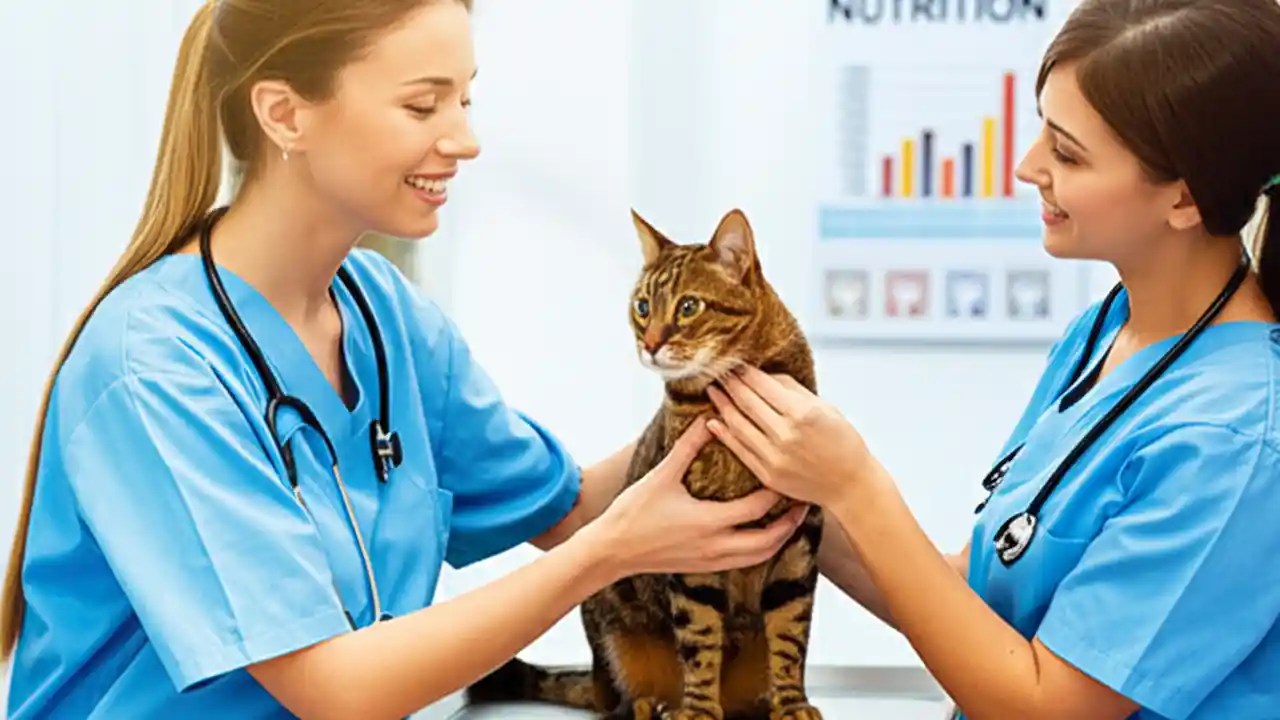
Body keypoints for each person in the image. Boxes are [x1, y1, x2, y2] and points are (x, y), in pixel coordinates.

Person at [0, 2, 808, 718]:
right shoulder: (157, 367)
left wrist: (786, 449)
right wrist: (613, 552)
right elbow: (337, 693)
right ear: (286, 115)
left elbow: (576, 505)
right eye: (423, 104)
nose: (464, 139)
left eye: (464, 99)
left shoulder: (381, 314)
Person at [708, 1, 1280, 719]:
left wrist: (855, 484)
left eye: (1067, 153)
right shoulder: (1108, 331)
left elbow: (1045, 705)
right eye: (1043, 127)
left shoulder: (1237, 440)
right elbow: (990, 603)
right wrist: (794, 486)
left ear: (1185, 198)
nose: (1025, 165)